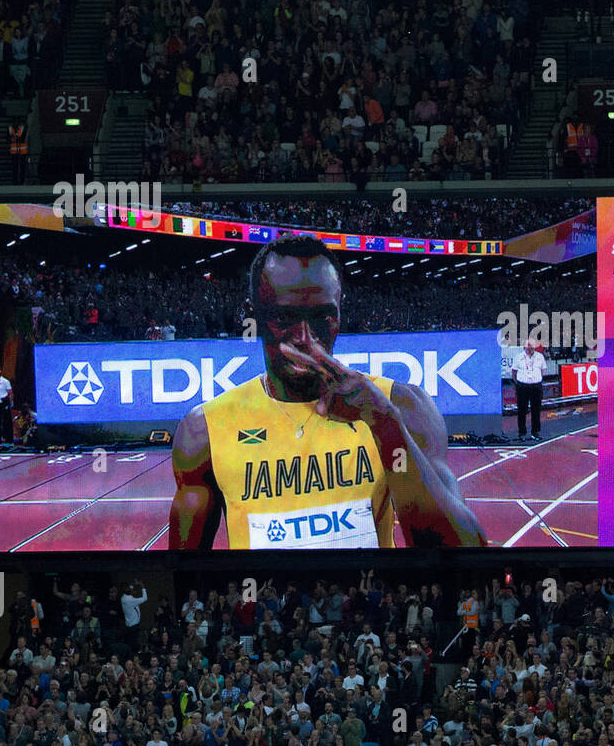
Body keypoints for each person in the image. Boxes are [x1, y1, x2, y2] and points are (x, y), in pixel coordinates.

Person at [170, 234, 486, 549]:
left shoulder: (400, 406)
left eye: (322, 317)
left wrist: (386, 425)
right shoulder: (204, 432)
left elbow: (466, 556)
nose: (306, 338)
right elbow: (183, 580)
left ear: (339, 311)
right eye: (284, 318)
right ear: (253, 315)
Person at [511, 338, 546, 441]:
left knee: (536, 410)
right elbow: (514, 372)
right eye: (528, 346)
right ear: (524, 347)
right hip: (522, 386)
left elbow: (543, 370)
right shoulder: (518, 357)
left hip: (536, 387)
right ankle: (521, 433)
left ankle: (535, 432)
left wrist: (537, 379)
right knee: (522, 410)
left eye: (531, 346)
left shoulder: (540, 357)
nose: (530, 349)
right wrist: (518, 383)